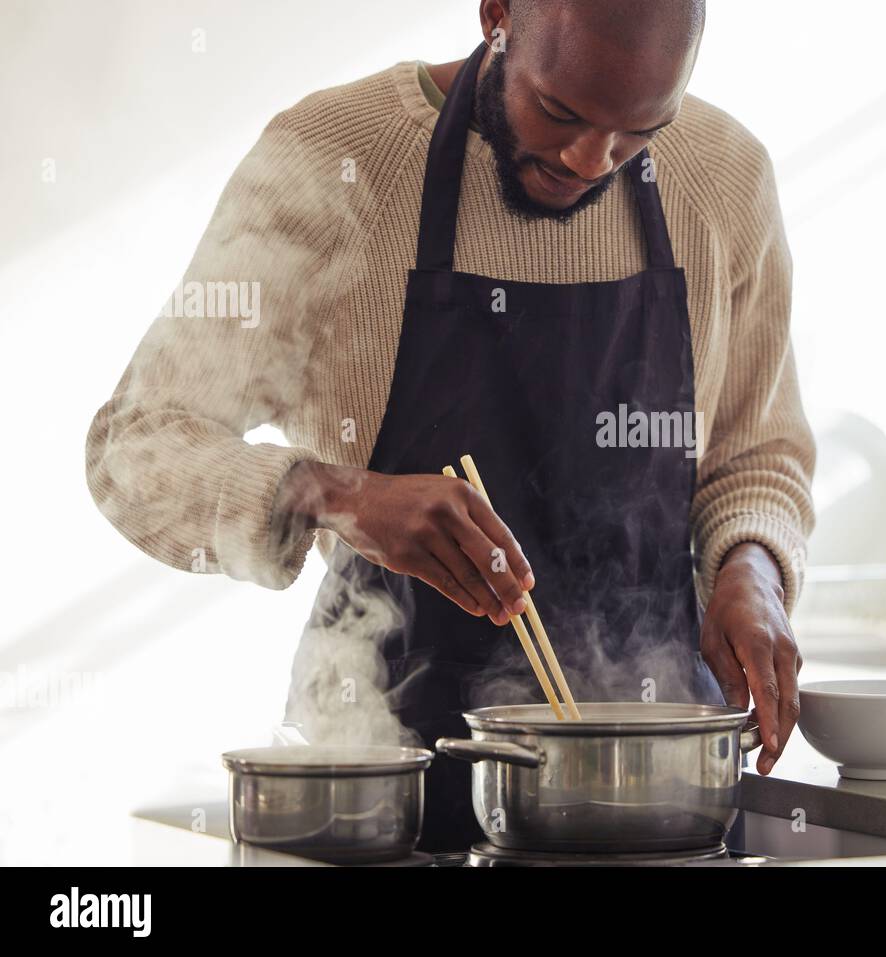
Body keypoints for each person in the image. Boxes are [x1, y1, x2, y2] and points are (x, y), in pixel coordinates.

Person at [85, 0, 815, 851]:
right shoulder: (334, 158)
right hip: (382, 780)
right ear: (497, 13)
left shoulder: (723, 177)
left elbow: (757, 455)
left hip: (645, 788)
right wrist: (337, 494)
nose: (590, 161)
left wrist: (753, 567)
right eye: (561, 111)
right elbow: (132, 448)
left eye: (637, 134)